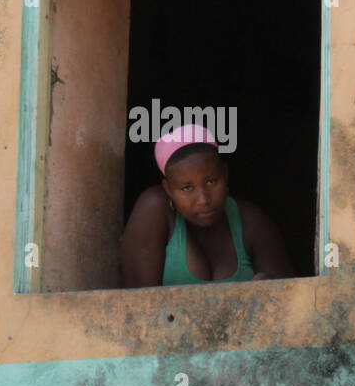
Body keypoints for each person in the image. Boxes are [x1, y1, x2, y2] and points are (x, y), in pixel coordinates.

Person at [121, 123, 294, 287]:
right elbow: (137, 304)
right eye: (187, 188)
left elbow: (289, 295)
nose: (203, 199)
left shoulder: (250, 220)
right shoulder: (154, 209)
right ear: (168, 189)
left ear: (225, 175)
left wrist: (267, 283)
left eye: (211, 182)